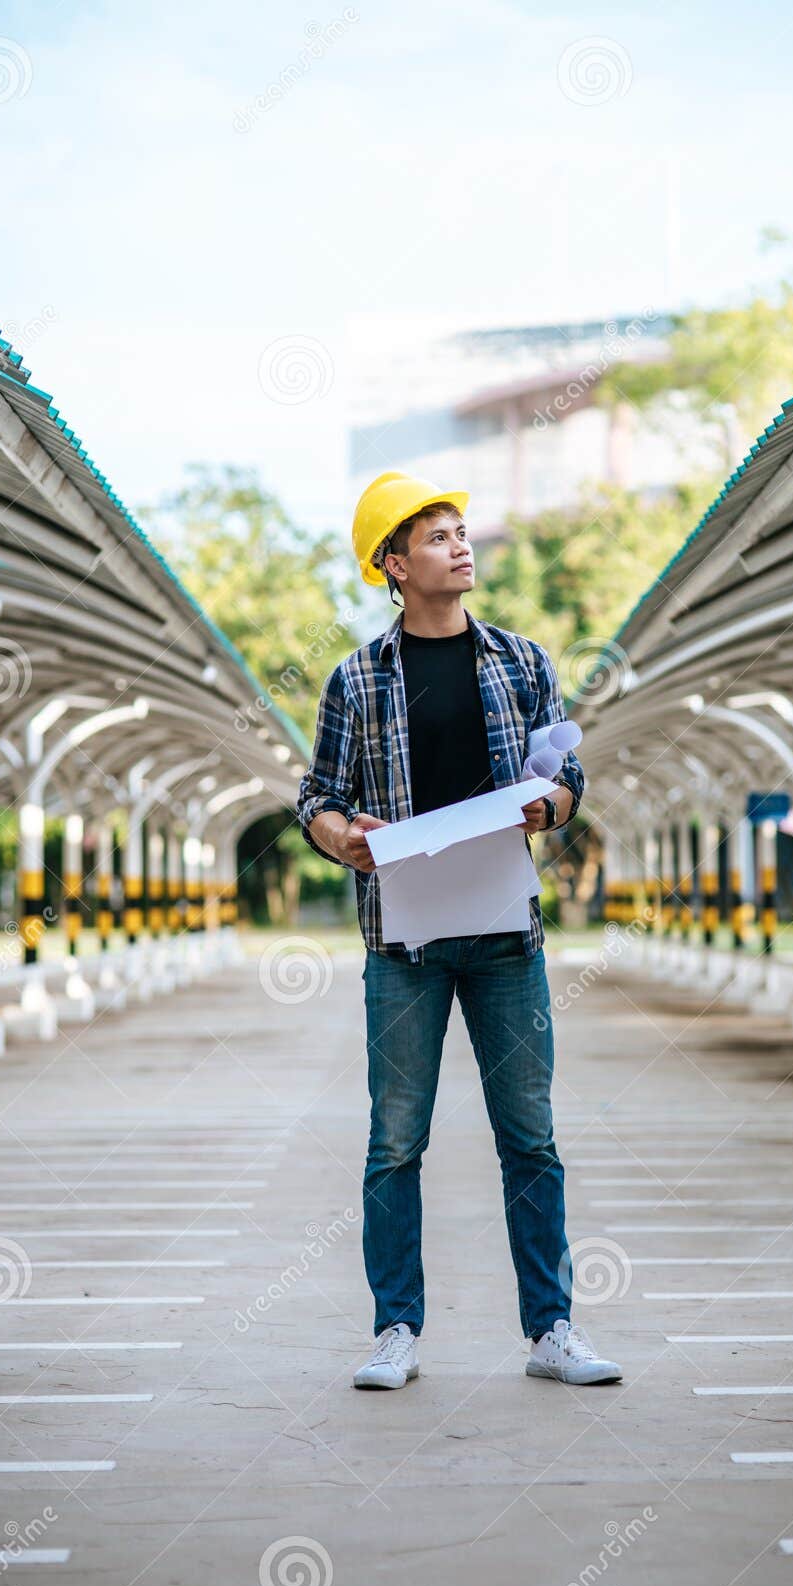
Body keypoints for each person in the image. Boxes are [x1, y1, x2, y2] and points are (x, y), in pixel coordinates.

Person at [297, 472, 622, 1391]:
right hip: (403, 946)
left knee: (531, 1139)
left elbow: (567, 777)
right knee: (395, 1144)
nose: (461, 546)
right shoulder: (356, 679)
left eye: (461, 532)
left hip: (505, 938)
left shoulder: (523, 662)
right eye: (437, 537)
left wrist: (555, 804)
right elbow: (317, 797)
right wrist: (338, 837)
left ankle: (552, 1331)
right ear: (394, 566)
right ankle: (395, 1330)